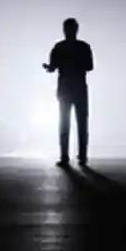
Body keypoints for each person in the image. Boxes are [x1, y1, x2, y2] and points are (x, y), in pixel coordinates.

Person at [42, 17, 93, 166]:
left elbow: (53, 68)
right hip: (77, 88)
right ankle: (80, 157)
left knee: (66, 122)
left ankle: (67, 156)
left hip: (67, 89)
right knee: (79, 123)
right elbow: (89, 66)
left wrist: (51, 67)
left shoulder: (60, 47)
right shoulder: (83, 47)